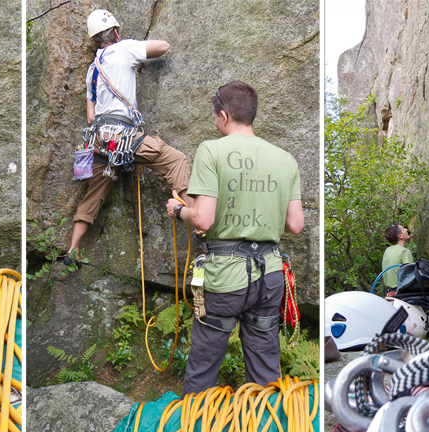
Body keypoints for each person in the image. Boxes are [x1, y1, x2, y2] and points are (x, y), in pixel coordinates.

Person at [165, 81, 304, 395]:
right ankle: (267, 421)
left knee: (204, 361)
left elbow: (203, 218)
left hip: (225, 276)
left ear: (224, 116)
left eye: (215, 117)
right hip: (269, 275)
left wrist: (179, 210)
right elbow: (296, 224)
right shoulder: (285, 160)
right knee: (265, 364)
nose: (215, 123)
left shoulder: (212, 150)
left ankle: (197, 421)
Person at [64, 9, 192, 267]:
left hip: (98, 139)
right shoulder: (124, 49)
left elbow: (90, 117)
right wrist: (135, 55)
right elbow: (163, 46)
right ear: (116, 32)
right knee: (175, 161)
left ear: (95, 40)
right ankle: (196, 215)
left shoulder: (93, 70)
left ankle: (72, 250)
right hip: (123, 136)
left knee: (94, 193)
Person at [381, 224, 414, 291]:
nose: (406, 229)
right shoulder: (404, 252)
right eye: (403, 229)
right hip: (400, 293)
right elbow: (411, 278)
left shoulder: (388, 250)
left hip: (389, 293)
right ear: (400, 236)